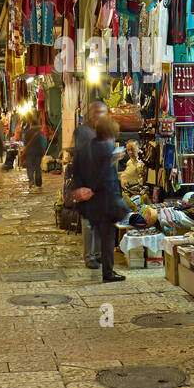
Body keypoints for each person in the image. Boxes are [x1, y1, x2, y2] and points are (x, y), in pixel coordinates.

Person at [81, 115, 130, 283]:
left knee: (104, 236)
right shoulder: (105, 149)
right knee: (108, 237)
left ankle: (103, 264)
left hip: (98, 200)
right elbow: (103, 176)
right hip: (106, 200)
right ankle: (108, 272)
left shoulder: (94, 147)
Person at [70, 100, 109, 269]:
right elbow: (82, 157)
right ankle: (89, 256)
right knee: (88, 223)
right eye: (97, 112)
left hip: (100, 183)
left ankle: (99, 254)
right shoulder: (83, 132)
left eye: (102, 112)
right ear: (91, 113)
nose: (99, 115)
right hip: (87, 182)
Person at [20, 118, 47, 190]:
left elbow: (25, 143)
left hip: (29, 152)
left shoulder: (27, 133)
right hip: (38, 152)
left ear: (31, 125)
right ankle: (38, 182)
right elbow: (44, 142)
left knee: (30, 167)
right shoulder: (40, 133)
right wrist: (43, 149)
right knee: (37, 166)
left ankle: (31, 180)